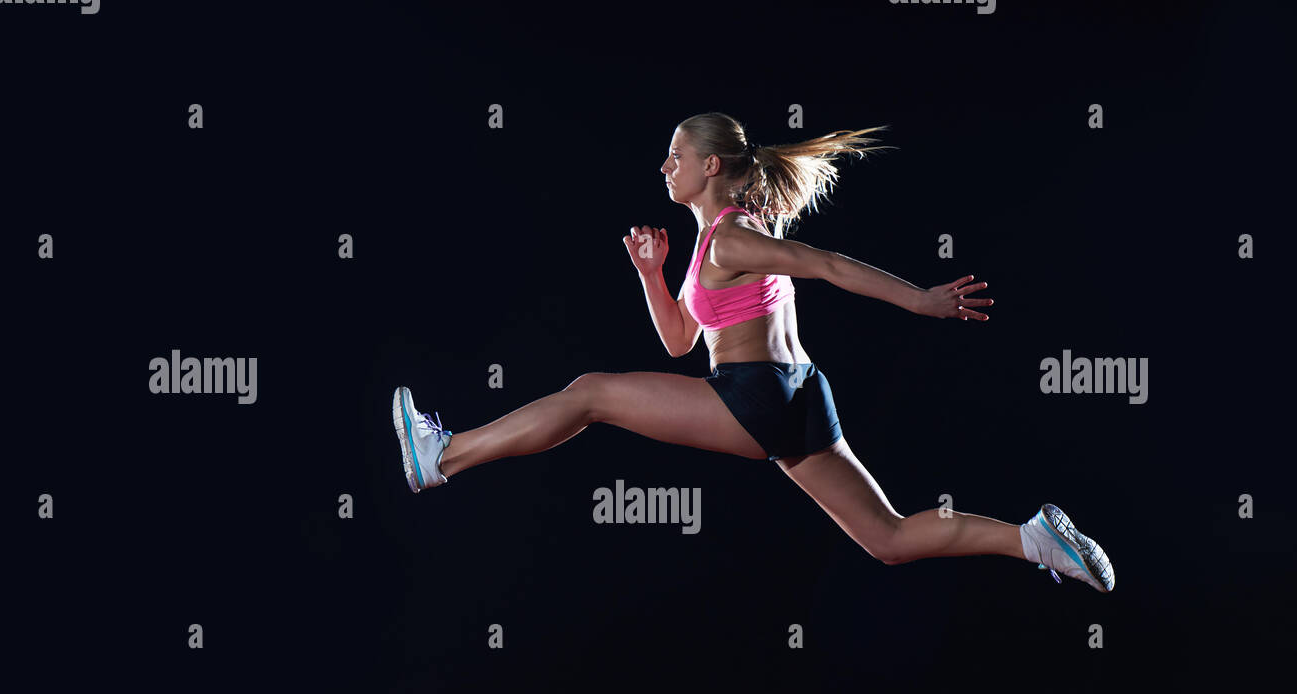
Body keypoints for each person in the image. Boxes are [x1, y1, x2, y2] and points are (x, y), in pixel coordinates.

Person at [393, 111, 1113, 591]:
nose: (664, 164)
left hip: (755, 394)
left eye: (677, 155)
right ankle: (1032, 540)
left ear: (711, 166)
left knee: (589, 392)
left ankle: (444, 457)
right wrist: (650, 274)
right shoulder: (718, 239)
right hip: (798, 395)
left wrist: (921, 298)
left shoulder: (734, 236)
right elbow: (679, 341)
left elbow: (825, 261)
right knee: (887, 539)